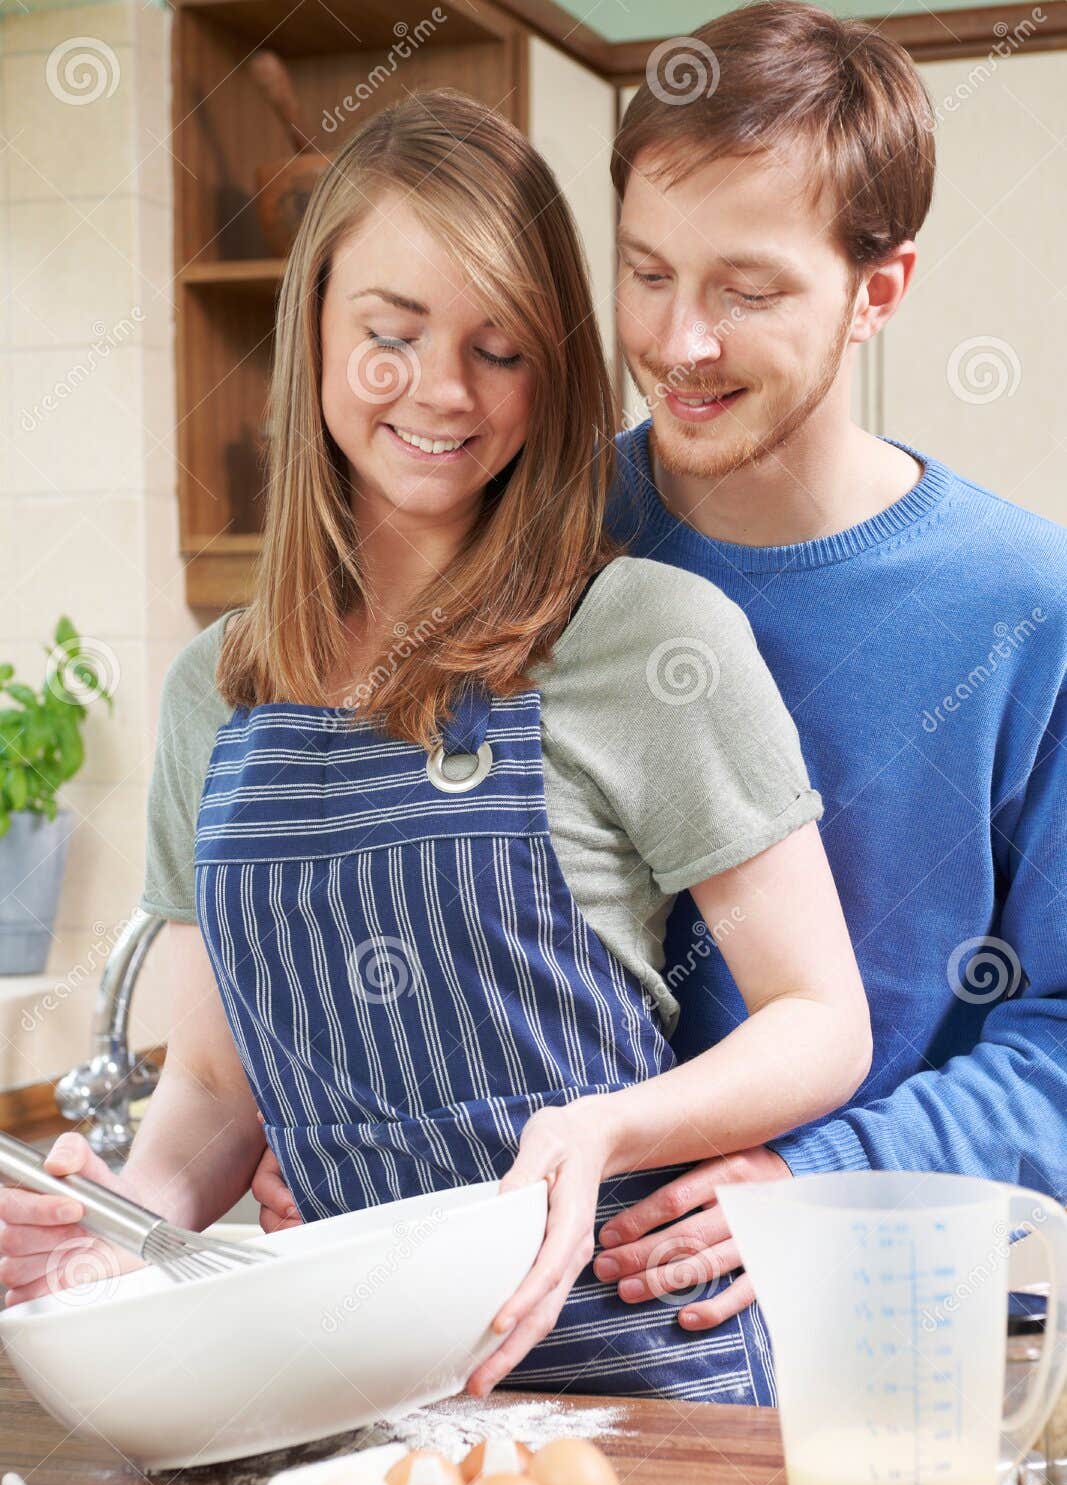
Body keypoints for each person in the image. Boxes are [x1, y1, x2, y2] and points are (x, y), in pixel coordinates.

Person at [0, 92, 870, 1405]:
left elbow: (822, 1019)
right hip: (353, 1396)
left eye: (501, 348)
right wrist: (112, 1214)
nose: (445, 392)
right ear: (315, 333)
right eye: (390, 336)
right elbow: (219, 1094)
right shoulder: (214, 691)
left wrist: (606, 1125)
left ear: (554, 370)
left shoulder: (649, 638)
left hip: (638, 1373)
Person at [586, 0, 1067, 1331]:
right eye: (644, 270)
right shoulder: (531, 548)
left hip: (900, 1328)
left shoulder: (1031, 607)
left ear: (881, 291)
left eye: (746, 291)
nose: (679, 343)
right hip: (550, 1328)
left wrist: (826, 1176)